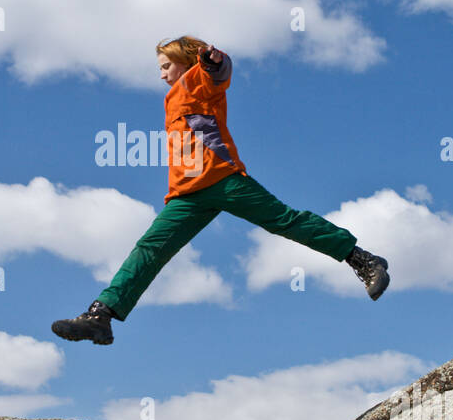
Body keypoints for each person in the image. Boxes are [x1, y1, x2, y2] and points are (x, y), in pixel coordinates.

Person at [51, 35, 389, 346]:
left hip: (223, 180)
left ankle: (361, 258)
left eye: (166, 66)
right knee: (149, 249)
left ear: (186, 63)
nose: (162, 74)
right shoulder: (172, 100)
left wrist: (212, 61)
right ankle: (101, 316)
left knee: (283, 220)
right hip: (186, 195)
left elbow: (219, 72)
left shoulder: (197, 81)